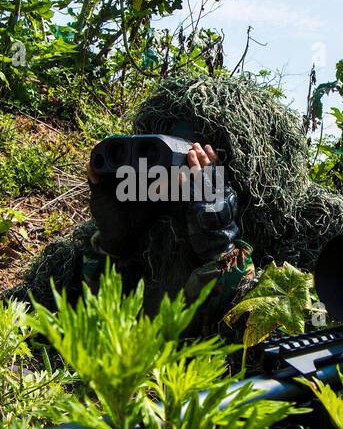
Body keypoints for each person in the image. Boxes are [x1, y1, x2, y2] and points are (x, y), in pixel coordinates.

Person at [81, 140, 255, 332]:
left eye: (193, 166)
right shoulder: (143, 217)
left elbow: (242, 332)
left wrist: (221, 248)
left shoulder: (265, 236)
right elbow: (93, 324)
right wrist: (113, 246)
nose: (172, 180)